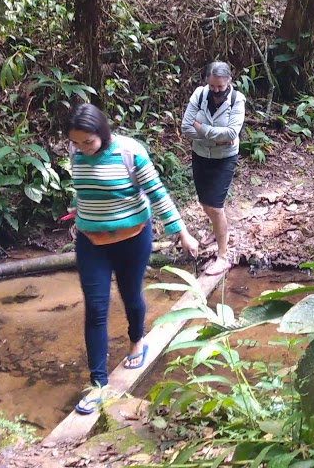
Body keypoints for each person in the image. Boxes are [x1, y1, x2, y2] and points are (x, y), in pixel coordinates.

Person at [66, 103, 199, 414]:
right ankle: (97, 384)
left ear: (101, 132)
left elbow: (157, 193)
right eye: (76, 143)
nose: (83, 149)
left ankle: (137, 341)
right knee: (96, 309)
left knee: (130, 296)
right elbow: (84, 189)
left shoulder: (130, 152)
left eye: (88, 142)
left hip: (132, 239)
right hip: (90, 242)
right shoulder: (76, 155)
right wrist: (80, 207)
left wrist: (181, 232)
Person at [180, 61, 246, 277]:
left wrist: (204, 130)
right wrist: (214, 138)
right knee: (205, 203)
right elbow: (186, 127)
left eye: (221, 86)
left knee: (216, 207)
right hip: (200, 155)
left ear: (229, 82)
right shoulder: (199, 95)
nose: (217, 91)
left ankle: (223, 256)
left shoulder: (237, 100)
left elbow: (231, 134)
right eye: (213, 86)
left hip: (225, 158)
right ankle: (220, 232)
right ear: (207, 81)